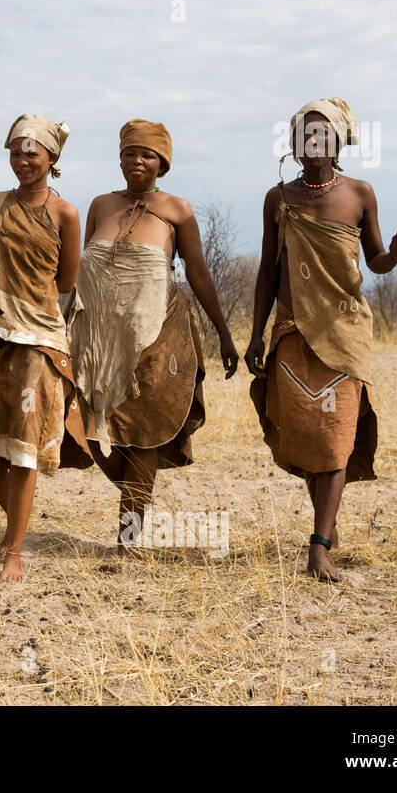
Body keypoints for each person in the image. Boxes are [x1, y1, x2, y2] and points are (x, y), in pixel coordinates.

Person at [246, 97, 397, 581]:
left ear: (339, 141)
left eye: (322, 134)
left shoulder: (360, 194)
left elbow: (377, 260)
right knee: (306, 432)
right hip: (292, 329)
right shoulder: (277, 199)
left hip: (344, 330)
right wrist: (256, 333)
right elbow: (267, 269)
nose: (312, 142)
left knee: (338, 434)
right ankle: (328, 520)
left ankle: (319, 545)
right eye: (303, 134)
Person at [68, 119, 239, 554]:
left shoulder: (176, 209)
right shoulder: (100, 205)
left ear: (162, 163)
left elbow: (198, 273)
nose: (137, 161)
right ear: (120, 158)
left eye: (147, 155)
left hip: (157, 335)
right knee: (94, 429)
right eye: (130, 153)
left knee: (144, 433)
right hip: (98, 339)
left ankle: (128, 538)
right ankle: (133, 506)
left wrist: (224, 333)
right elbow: (82, 273)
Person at [0, 115, 90, 581]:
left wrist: (28, 308)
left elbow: (66, 281)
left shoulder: (66, 213)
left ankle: (14, 548)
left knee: (25, 441)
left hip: (39, 338)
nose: (23, 160)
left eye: (32, 152)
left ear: (52, 159)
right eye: (16, 151)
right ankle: (16, 524)